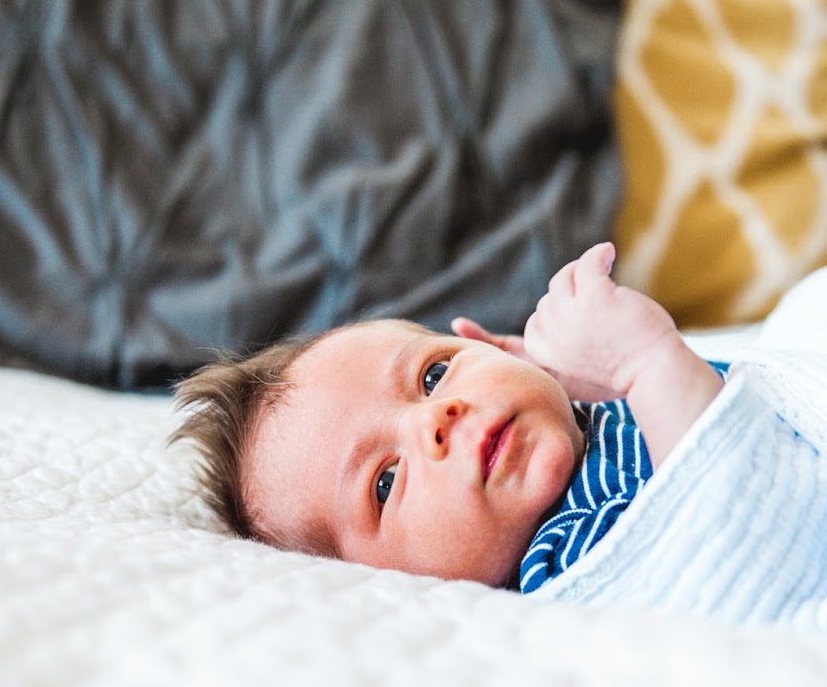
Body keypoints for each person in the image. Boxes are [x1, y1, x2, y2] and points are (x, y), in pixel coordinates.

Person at [169, 242, 723, 590]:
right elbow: (729, 543)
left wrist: (580, 377)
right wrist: (649, 362)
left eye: (433, 375)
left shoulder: (600, 413)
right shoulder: (576, 558)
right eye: (384, 483)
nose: (437, 420)